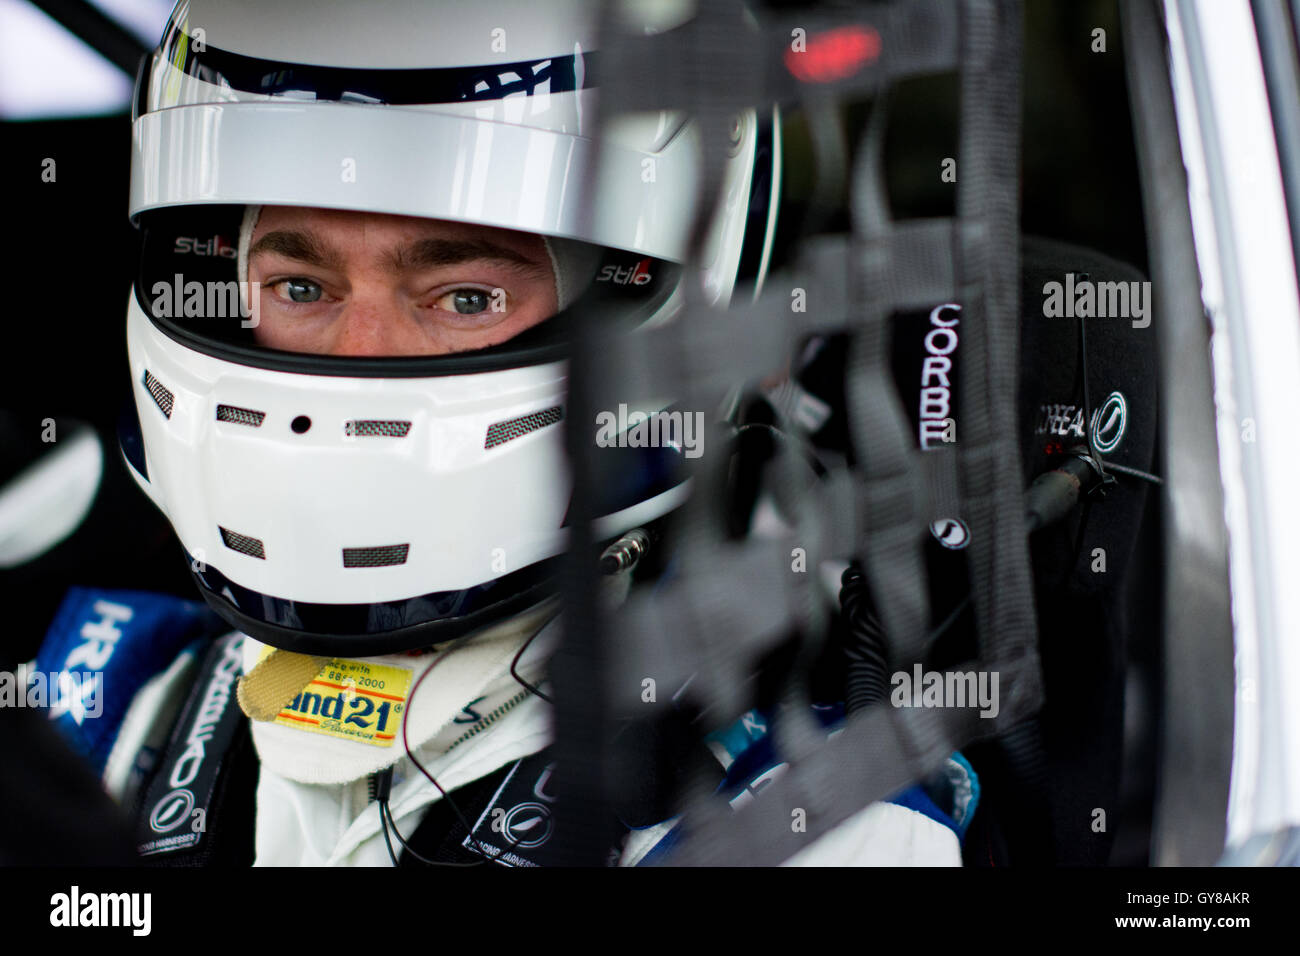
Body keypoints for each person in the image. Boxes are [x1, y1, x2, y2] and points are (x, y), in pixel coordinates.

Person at [31, 0, 978, 866]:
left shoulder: (820, 830)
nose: (362, 360)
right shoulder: (108, 709)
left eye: (466, 297)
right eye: (301, 288)